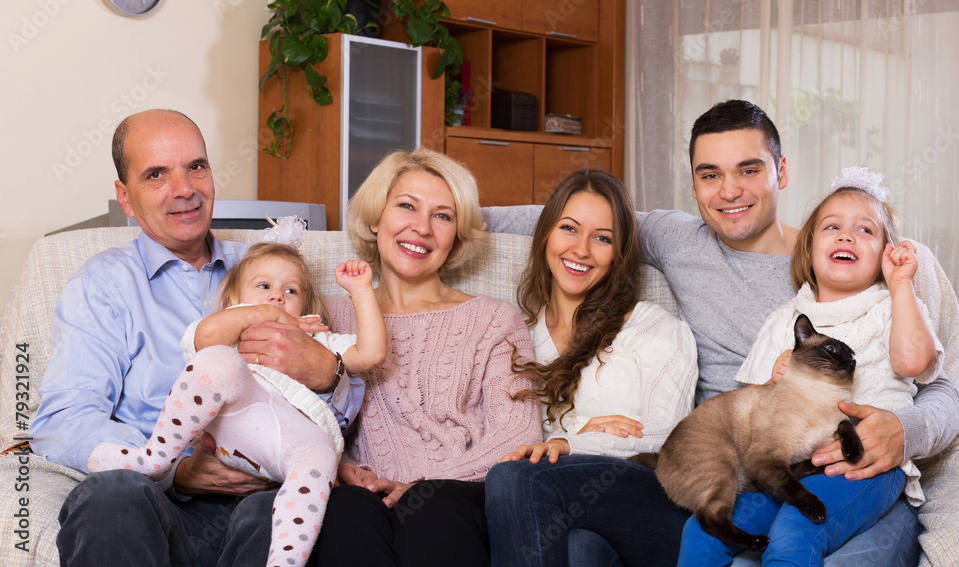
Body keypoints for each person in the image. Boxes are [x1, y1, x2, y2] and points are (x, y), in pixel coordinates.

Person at [483, 99, 959, 565]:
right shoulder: (677, 239)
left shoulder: (852, 258)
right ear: (693, 185)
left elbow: (941, 387)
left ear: (782, 172)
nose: (729, 191)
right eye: (710, 174)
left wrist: (905, 430)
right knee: (555, 517)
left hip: (847, 469)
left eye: (749, 170)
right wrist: (445, 221)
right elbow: (567, 220)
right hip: (731, 470)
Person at [30, 109, 363, 566]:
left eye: (196, 166)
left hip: (266, 498)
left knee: (291, 516)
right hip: (161, 502)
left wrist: (329, 375)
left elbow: (343, 388)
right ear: (125, 198)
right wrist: (177, 471)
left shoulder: (267, 270)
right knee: (111, 495)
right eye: (156, 174)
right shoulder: (104, 284)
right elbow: (64, 420)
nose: (184, 188)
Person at [678, 167, 941, 565]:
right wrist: (775, 379)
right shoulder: (786, 318)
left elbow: (913, 361)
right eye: (832, 226)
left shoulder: (892, 306)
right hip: (792, 463)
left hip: (867, 461)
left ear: (887, 252)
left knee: (793, 535)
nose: (846, 235)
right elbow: (755, 408)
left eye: (866, 231)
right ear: (809, 247)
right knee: (701, 532)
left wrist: (901, 283)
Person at [87, 230, 387, 567]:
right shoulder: (226, 336)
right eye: (264, 287)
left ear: (307, 306)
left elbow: (371, 354)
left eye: (291, 291)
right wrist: (264, 317)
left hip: (283, 447)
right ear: (233, 302)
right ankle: (156, 458)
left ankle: (286, 559)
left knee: (320, 457)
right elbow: (207, 337)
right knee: (216, 363)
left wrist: (361, 292)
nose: (277, 297)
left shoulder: (318, 339)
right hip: (229, 427)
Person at [303, 147, 541, 566]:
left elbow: (518, 436)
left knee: (431, 508)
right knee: (343, 510)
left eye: (443, 216)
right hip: (365, 494)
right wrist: (340, 464)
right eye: (407, 206)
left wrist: (421, 484)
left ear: (457, 235)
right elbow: (299, 410)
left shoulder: (494, 319)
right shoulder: (330, 315)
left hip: (457, 494)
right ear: (376, 217)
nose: (422, 228)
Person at [485, 169, 700, 567]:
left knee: (517, 477)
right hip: (575, 518)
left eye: (602, 238)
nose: (581, 249)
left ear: (619, 254)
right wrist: (580, 430)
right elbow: (509, 440)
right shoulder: (514, 340)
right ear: (545, 234)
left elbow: (664, 438)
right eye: (569, 228)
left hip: (653, 502)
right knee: (580, 550)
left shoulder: (654, 328)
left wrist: (566, 443)